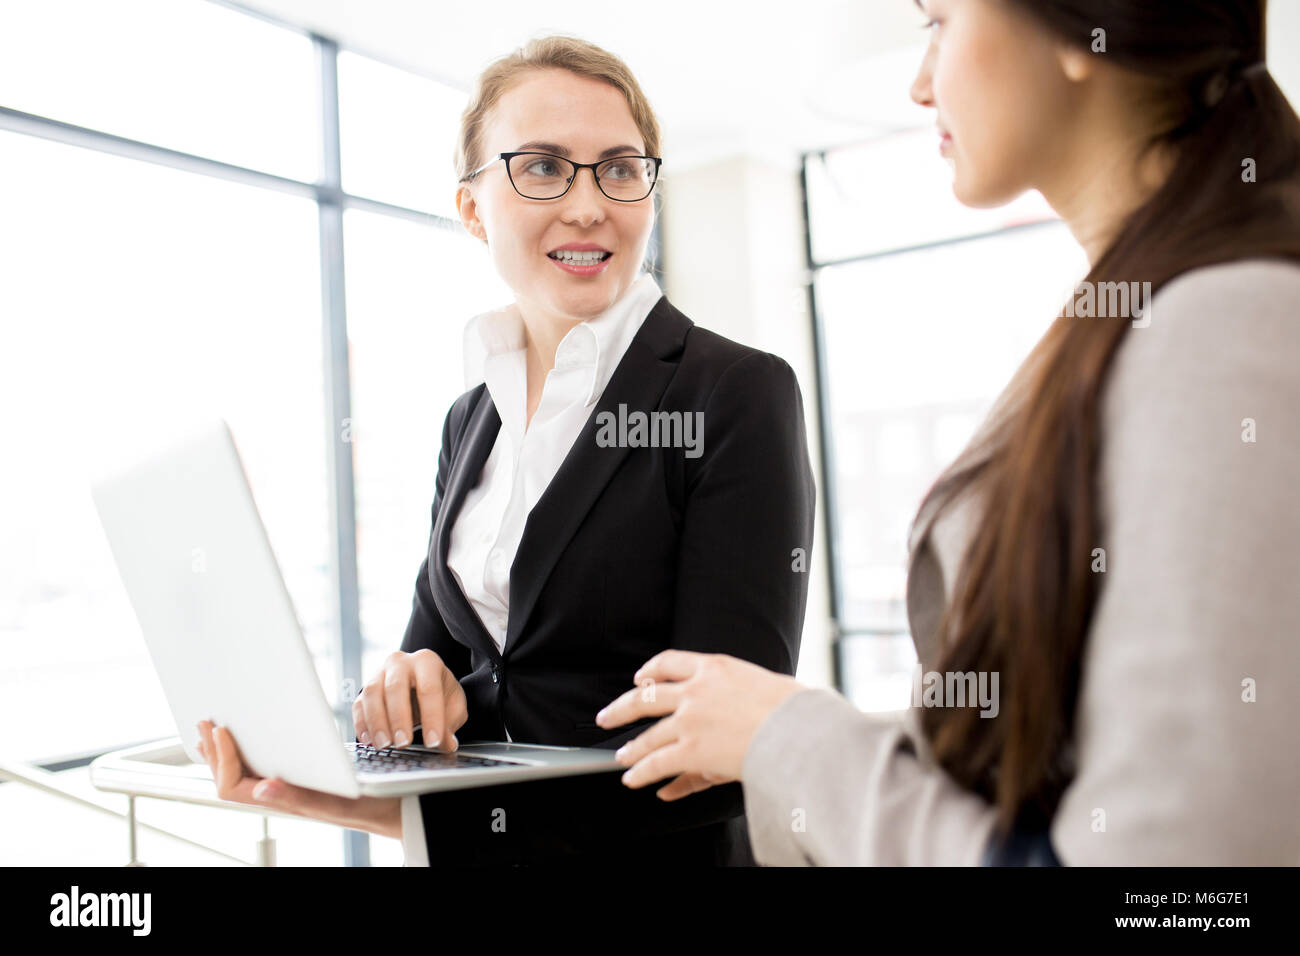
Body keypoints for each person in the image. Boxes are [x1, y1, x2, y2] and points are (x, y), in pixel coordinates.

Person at [597, 0, 1300, 865]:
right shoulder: (1142, 319)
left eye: (939, 21)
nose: (920, 83)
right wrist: (781, 740)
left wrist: (795, 740)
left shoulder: (1228, 325)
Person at [197, 34, 815, 865]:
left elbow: (716, 756)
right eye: (545, 167)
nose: (590, 204)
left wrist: (407, 814)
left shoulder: (732, 392)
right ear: (471, 208)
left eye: (621, 168)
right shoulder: (469, 420)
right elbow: (437, 682)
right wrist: (395, 708)